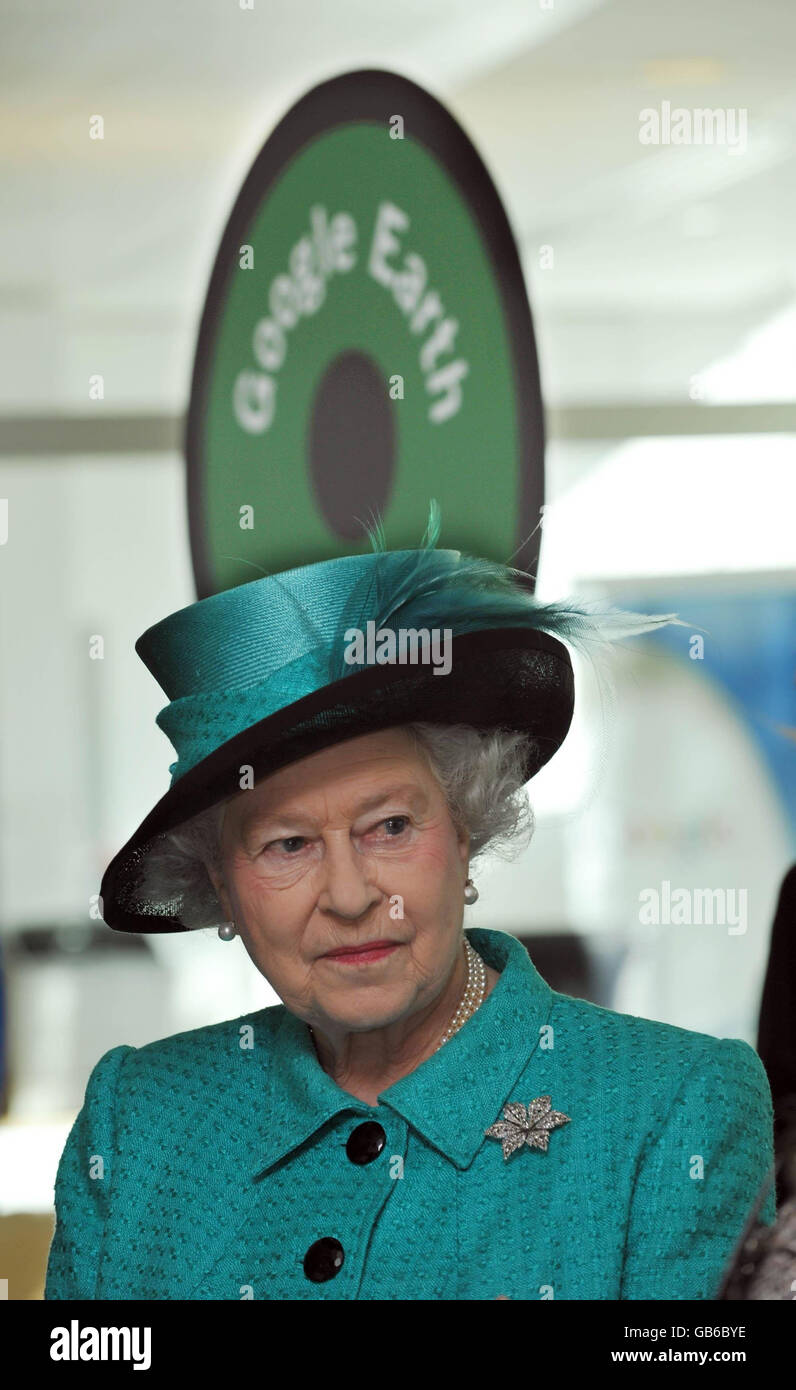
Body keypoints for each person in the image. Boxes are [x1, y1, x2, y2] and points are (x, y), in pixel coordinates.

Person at [44, 517, 776, 1300]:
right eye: (287, 844)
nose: (354, 895)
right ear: (221, 885)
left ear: (466, 829)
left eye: (390, 827)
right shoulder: (139, 1122)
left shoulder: (673, 1108)